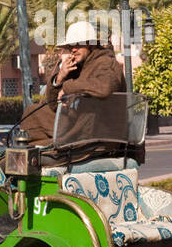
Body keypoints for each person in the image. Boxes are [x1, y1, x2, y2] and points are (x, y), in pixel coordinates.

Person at [18, 20, 126, 151]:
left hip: (101, 131)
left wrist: (68, 86)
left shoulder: (107, 63)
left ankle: (57, 147)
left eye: (78, 45)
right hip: (80, 126)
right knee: (32, 113)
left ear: (91, 44)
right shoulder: (76, 68)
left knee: (83, 119)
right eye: (70, 46)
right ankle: (52, 148)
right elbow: (53, 105)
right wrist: (59, 78)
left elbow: (104, 88)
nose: (73, 49)